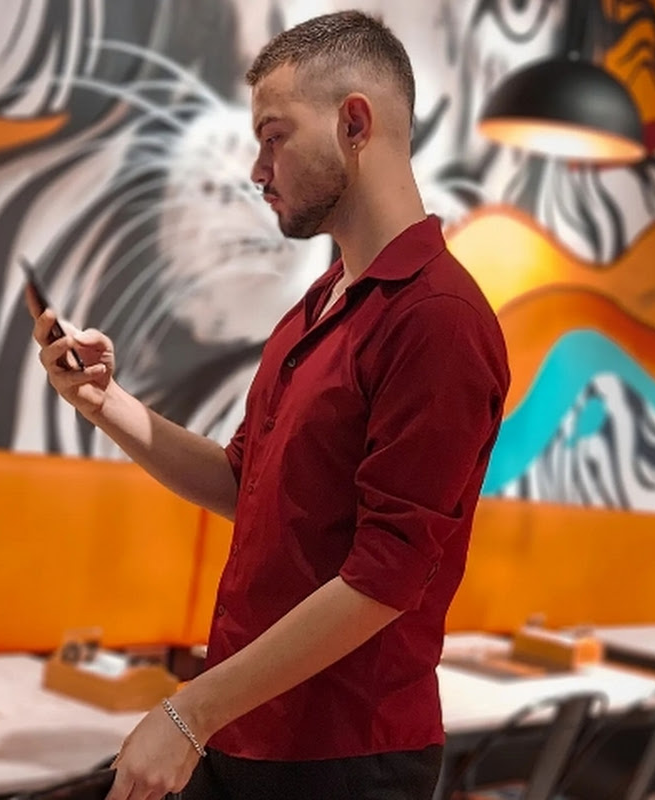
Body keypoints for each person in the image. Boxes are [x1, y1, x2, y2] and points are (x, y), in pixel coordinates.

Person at [26, 10, 509, 800]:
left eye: (273, 137)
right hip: (245, 729)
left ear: (354, 123)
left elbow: (385, 578)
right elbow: (241, 482)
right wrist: (104, 402)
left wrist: (189, 715)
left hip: (344, 761)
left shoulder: (439, 319)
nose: (257, 169)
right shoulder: (319, 305)